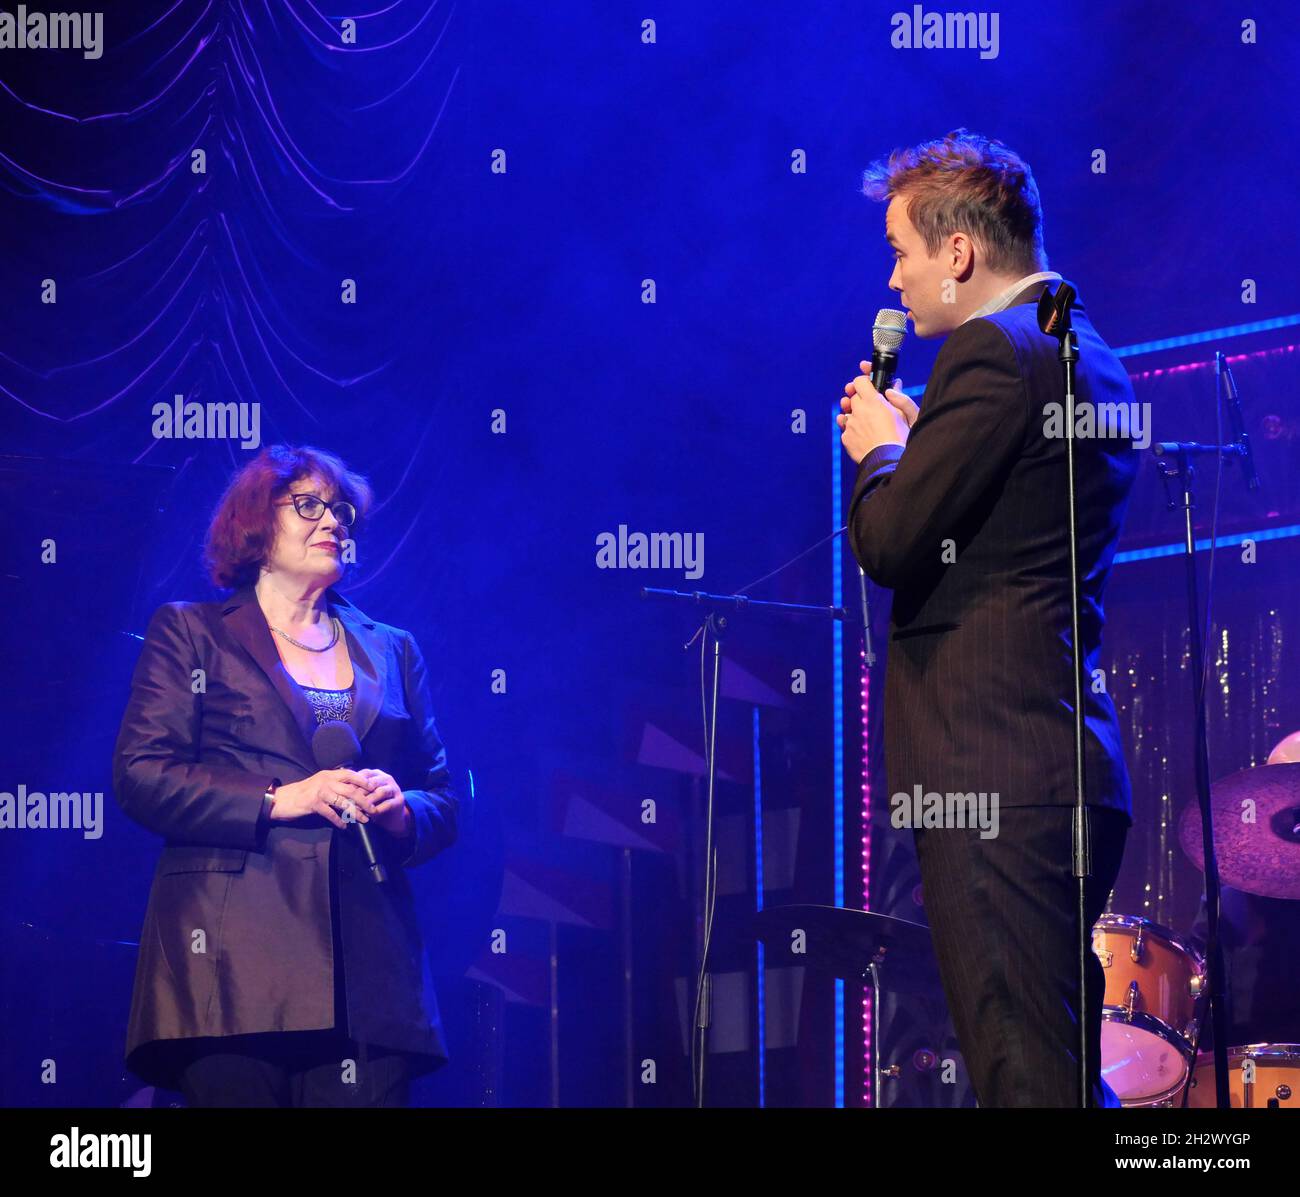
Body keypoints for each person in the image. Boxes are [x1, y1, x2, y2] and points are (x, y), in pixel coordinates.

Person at [839, 130, 1139, 1107]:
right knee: (1052, 1066)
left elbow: (889, 546)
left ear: (957, 252)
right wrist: (933, 448)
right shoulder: (1083, 356)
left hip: (992, 779)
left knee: (1022, 1074)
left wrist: (884, 453)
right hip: (1068, 773)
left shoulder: (987, 350)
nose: (895, 281)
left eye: (900, 251)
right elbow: (1012, 524)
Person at [113, 444, 458, 1107]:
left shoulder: (392, 647)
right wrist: (279, 798)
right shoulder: (192, 632)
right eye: (308, 504)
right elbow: (141, 772)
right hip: (232, 973)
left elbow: (442, 796)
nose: (332, 521)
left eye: (340, 510)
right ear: (254, 521)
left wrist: (402, 808)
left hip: (369, 980)